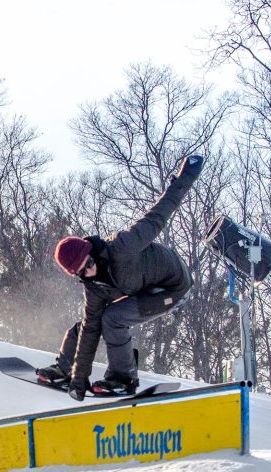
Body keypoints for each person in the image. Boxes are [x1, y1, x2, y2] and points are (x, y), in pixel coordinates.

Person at [37, 155, 204, 400]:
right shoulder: (93, 286)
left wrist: (186, 175)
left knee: (114, 318)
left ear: (92, 253)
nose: (89, 272)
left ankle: (124, 378)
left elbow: (159, 214)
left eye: (89, 264)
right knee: (90, 322)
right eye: (81, 273)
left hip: (174, 286)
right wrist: (79, 380)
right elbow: (90, 330)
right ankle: (64, 369)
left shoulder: (124, 246)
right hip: (144, 287)